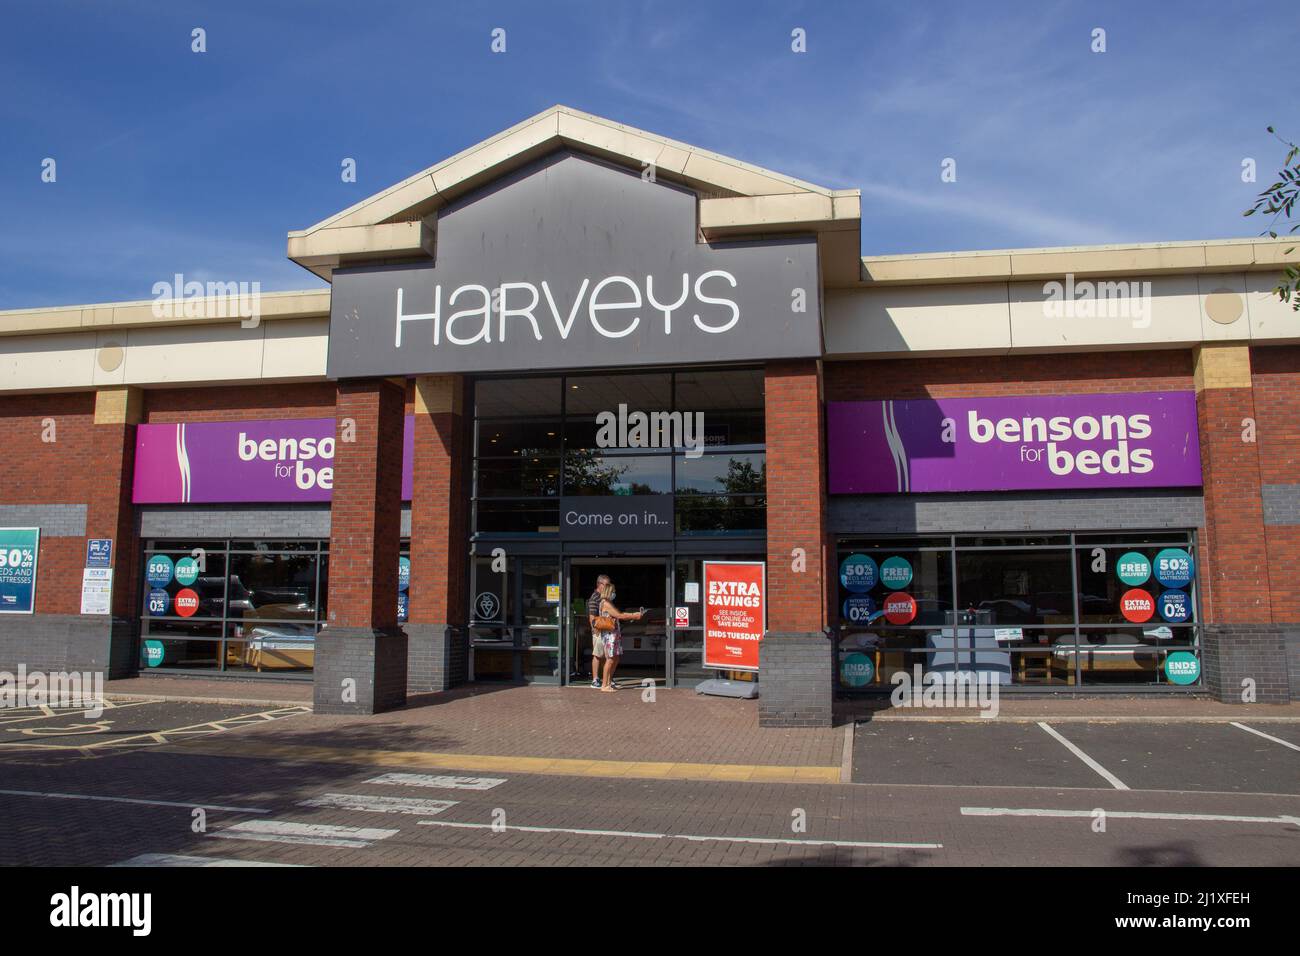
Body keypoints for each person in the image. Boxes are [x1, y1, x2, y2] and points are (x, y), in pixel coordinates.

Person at [595, 578, 644, 692]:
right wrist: (634, 615)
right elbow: (619, 615)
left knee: (615, 658)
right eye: (613, 591)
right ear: (608, 592)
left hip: (613, 634)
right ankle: (605, 685)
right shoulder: (605, 603)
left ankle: (609, 682)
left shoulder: (608, 602)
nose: (614, 593)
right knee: (610, 659)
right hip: (609, 635)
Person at [586, 574, 611, 688]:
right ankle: (595, 680)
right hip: (598, 631)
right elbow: (591, 617)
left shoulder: (604, 597)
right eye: (605, 585)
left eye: (608, 585)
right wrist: (595, 631)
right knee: (597, 655)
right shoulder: (594, 598)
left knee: (606, 655)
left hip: (606, 631)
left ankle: (606, 678)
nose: (607, 587)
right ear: (599, 584)